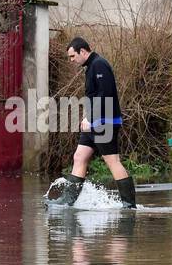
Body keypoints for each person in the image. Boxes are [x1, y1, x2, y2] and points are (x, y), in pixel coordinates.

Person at [48, 37, 136, 208]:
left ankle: (129, 204)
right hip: (95, 122)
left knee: (112, 161)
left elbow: (105, 94)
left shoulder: (99, 64)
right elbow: (95, 97)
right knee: (79, 157)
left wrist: (91, 117)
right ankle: (68, 201)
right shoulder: (90, 67)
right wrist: (87, 117)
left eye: (72, 56)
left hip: (105, 122)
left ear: (83, 51)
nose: (71, 60)